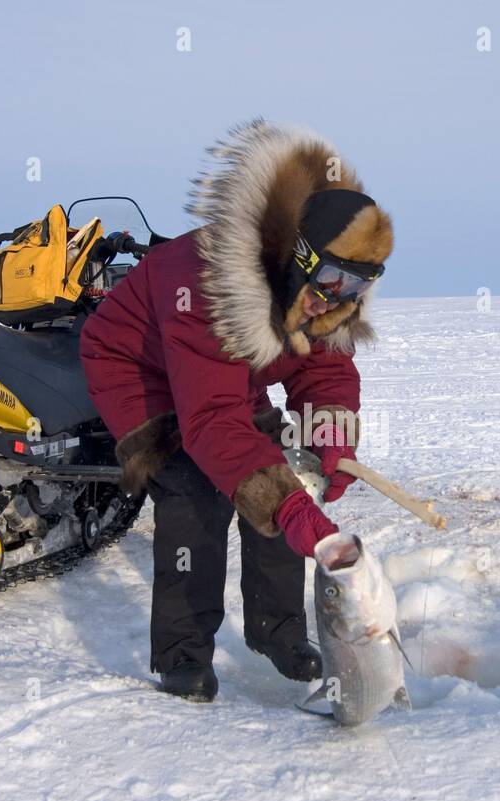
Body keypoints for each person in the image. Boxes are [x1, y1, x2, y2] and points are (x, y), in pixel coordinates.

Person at [79, 120, 394, 702]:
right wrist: (291, 508)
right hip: (140, 373)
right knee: (194, 492)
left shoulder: (320, 290)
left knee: (287, 477)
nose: (340, 296)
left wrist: (330, 438)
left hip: (219, 375)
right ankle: (183, 653)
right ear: (299, 255)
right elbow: (212, 423)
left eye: (359, 284)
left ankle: (277, 632)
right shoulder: (205, 283)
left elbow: (322, 369)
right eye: (331, 277)